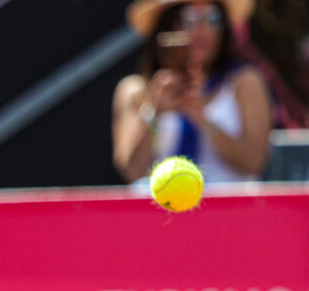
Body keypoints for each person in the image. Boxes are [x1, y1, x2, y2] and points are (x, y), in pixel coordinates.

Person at [112, 0, 271, 185]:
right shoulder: (135, 90)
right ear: (165, 28)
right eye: (189, 19)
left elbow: (254, 164)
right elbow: (132, 172)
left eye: (213, 18)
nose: (202, 31)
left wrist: (200, 117)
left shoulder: (244, 81)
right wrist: (153, 113)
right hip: (161, 208)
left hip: (231, 208)